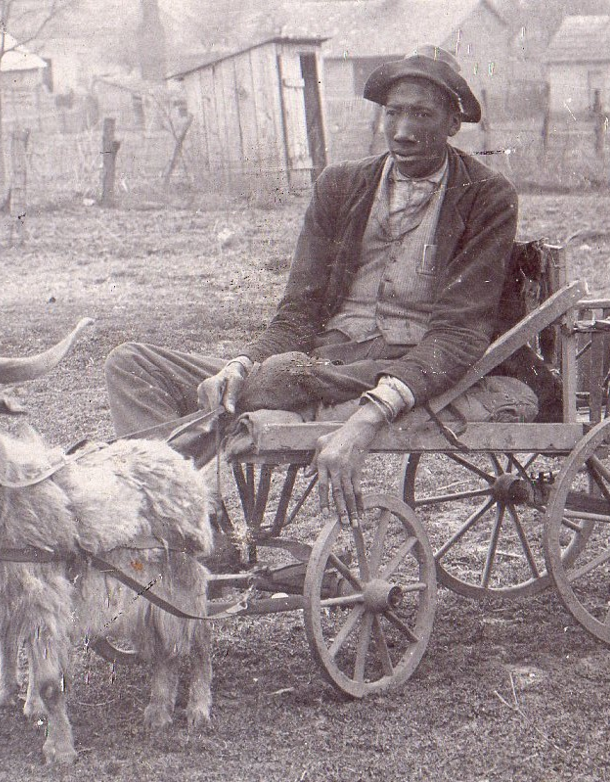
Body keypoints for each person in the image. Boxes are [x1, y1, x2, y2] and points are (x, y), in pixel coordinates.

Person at [104, 45, 550, 527]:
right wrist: (239, 364)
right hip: (320, 358)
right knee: (131, 364)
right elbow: (298, 311)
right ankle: (196, 514)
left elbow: (460, 334)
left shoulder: (486, 196)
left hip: (403, 364)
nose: (402, 131)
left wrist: (370, 414)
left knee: (282, 376)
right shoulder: (340, 185)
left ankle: (177, 510)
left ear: (451, 123)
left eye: (421, 114)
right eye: (393, 113)